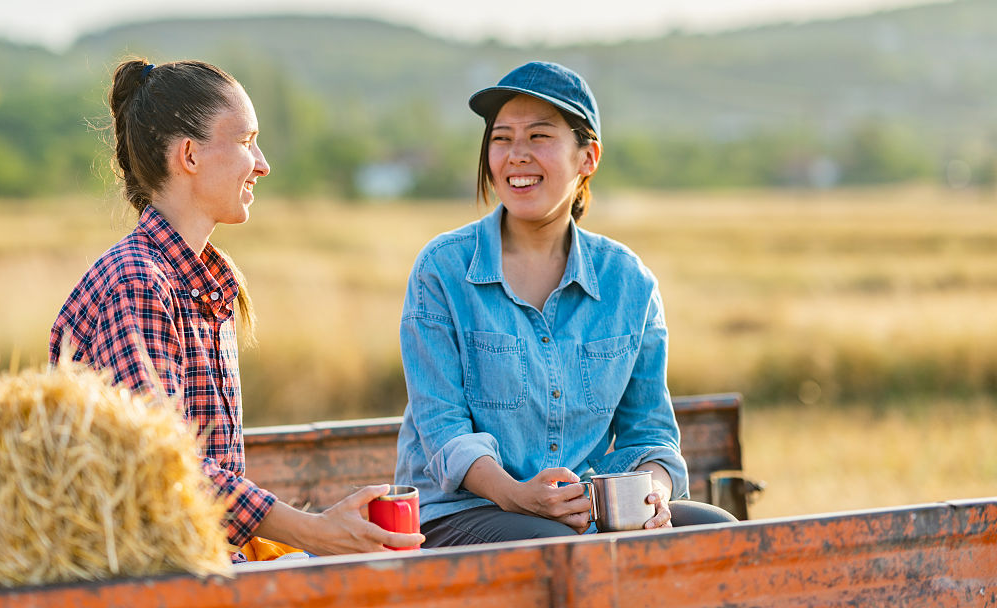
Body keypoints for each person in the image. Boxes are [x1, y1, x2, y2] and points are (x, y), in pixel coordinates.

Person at [49, 58, 423, 558]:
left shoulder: (202, 281)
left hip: (208, 563)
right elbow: (160, 466)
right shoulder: (137, 283)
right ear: (189, 155)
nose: (262, 164)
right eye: (247, 141)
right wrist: (310, 531)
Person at [394, 61, 736, 546]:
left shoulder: (628, 282)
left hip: (580, 517)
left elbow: (651, 434)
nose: (516, 155)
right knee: (556, 549)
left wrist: (655, 496)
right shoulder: (444, 269)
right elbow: (443, 428)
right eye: (501, 138)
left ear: (587, 157)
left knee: (720, 533)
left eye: (538, 137)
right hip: (462, 512)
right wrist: (518, 495)